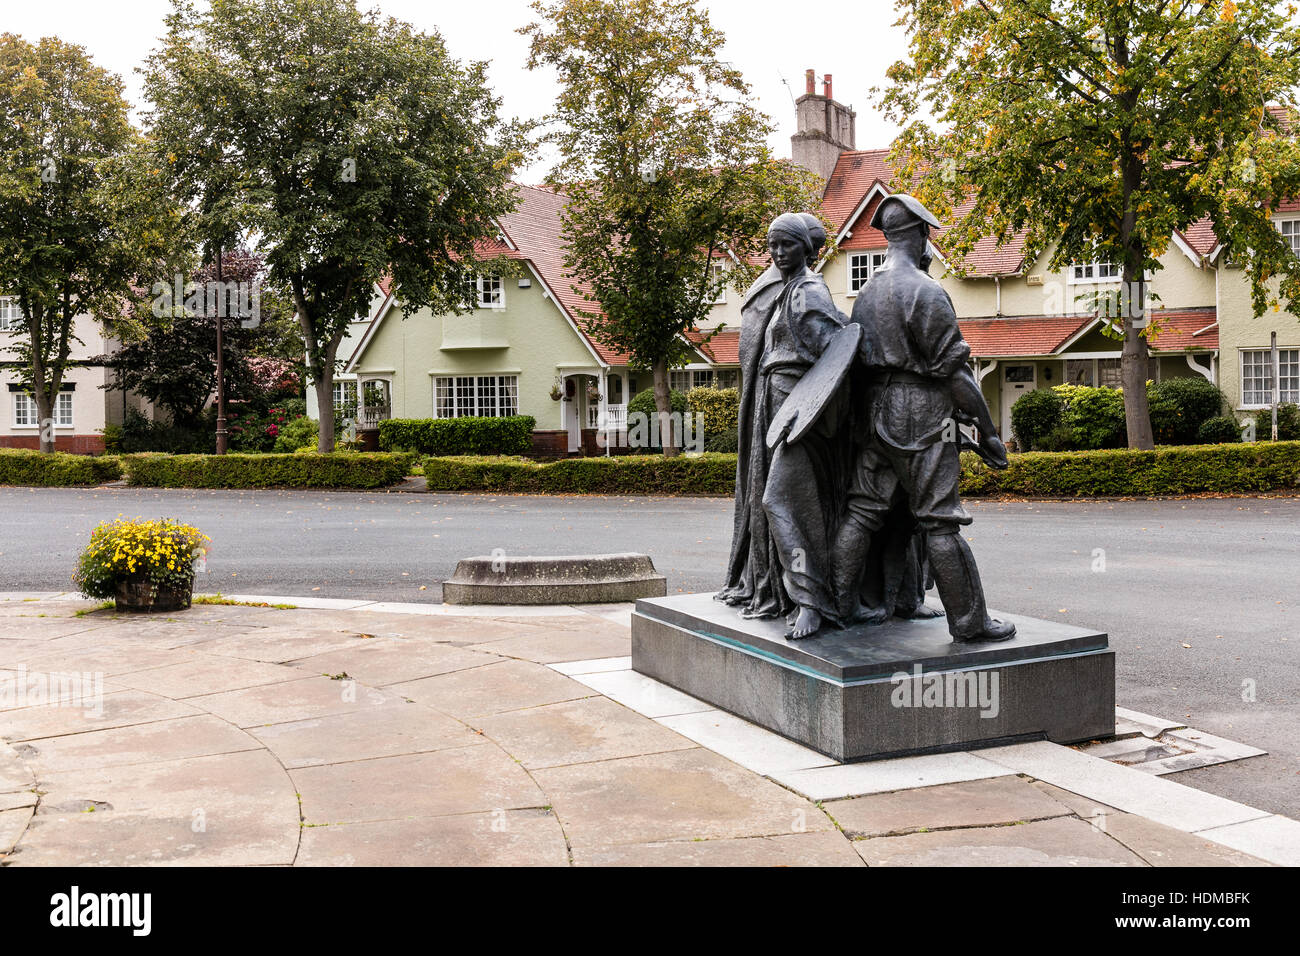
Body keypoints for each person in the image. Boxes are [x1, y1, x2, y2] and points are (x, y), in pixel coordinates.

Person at [832, 194, 1016, 643]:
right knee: (940, 519)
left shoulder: (867, 292)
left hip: (873, 417)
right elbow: (955, 375)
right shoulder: (926, 292)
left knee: (862, 512)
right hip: (918, 415)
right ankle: (970, 622)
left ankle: (837, 607)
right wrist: (989, 433)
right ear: (919, 237)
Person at [716, 212, 846, 638]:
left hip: (799, 411)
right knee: (782, 499)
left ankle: (811, 601)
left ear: (806, 249)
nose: (776, 252)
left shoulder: (810, 291)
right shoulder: (788, 289)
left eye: (786, 244)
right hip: (776, 406)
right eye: (771, 245)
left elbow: (834, 354)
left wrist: (807, 411)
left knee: (781, 499)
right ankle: (798, 597)